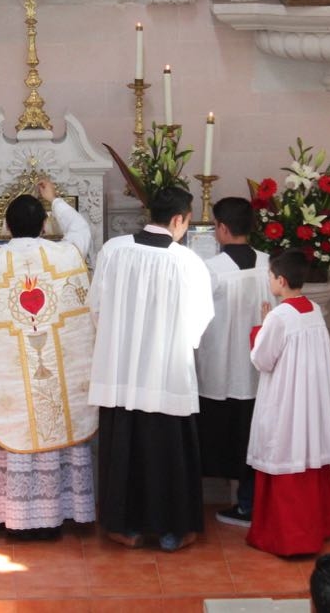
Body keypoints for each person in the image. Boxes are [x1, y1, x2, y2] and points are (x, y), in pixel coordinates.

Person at [0, 178, 96, 540]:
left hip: (16, 381)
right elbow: (81, 228)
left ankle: (17, 518)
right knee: (55, 424)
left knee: (18, 430)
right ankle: (63, 512)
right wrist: (54, 200)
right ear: (43, 226)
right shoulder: (66, 256)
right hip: (55, 373)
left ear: (5, 226)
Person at [88, 186, 215, 552]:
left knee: (123, 447)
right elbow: (199, 320)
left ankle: (122, 527)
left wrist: (120, 345)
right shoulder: (187, 262)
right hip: (166, 373)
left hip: (121, 371)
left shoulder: (114, 250)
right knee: (168, 452)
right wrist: (173, 347)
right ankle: (173, 529)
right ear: (178, 220)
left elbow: (96, 306)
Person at [246, 249, 330, 556]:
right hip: (309, 402)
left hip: (286, 402)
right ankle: (320, 526)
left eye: (270, 276)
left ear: (281, 280)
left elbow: (263, 359)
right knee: (307, 457)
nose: (268, 280)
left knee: (283, 454)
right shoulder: (314, 310)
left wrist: (260, 329)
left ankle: (288, 538)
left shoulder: (279, 316)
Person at [197, 197, 275, 528]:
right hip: (257, 372)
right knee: (251, 436)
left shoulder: (210, 270)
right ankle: (248, 503)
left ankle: (197, 501)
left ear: (223, 229)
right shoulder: (269, 264)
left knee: (214, 437)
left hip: (217, 371)